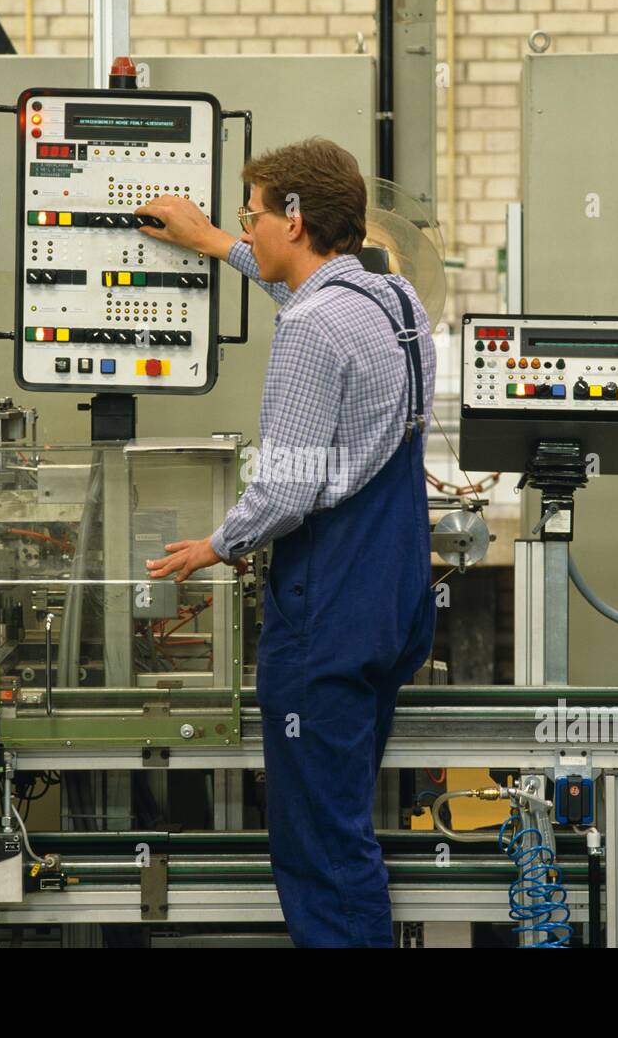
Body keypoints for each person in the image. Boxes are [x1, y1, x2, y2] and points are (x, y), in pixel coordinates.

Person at [141, 137, 436, 947]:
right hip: (396, 594)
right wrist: (211, 241)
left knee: (322, 845)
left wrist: (215, 543)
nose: (251, 227)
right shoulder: (395, 300)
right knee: (341, 818)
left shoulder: (313, 326)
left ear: (296, 219)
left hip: (329, 612)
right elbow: (312, 305)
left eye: (255, 215)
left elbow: (286, 489)